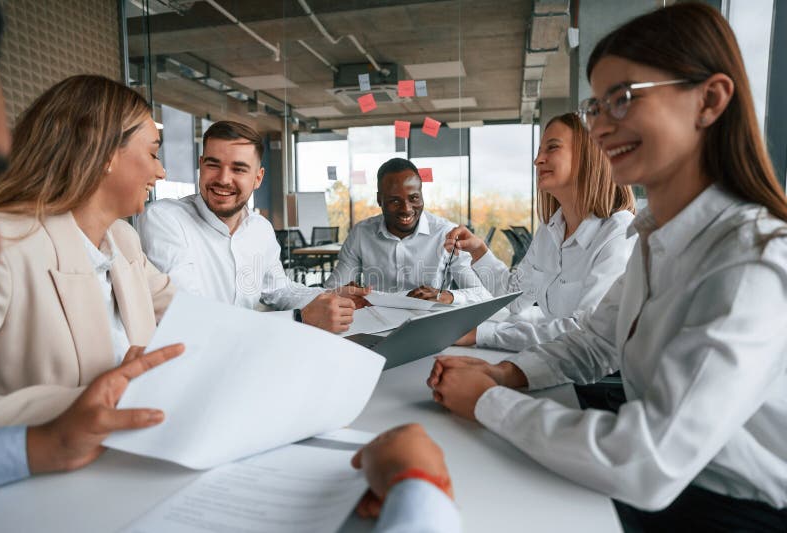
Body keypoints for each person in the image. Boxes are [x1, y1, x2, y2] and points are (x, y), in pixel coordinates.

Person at [428, 4, 787, 530]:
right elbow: (596, 341)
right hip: (672, 480)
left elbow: (650, 461)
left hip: (728, 508)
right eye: (596, 107)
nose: (600, 126)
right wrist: (505, 373)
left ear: (709, 100)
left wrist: (490, 402)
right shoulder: (654, 237)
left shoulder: (752, 257)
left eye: (622, 100)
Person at [0, 2, 185, 491]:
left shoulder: (123, 240)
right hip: (34, 487)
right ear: (102, 155)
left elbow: (189, 316)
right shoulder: (5, 244)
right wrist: (70, 411)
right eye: (154, 154)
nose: (161, 173)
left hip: (124, 473)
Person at [139, 121, 368, 333]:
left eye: (238, 169)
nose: (223, 179)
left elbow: (280, 290)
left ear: (258, 178)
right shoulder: (165, 219)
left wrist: (330, 296)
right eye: (213, 165)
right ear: (201, 165)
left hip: (247, 352)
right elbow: (191, 315)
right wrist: (298, 319)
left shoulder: (259, 229)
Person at [445, 112, 635, 350]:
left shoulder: (619, 234)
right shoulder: (550, 231)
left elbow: (584, 331)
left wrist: (483, 334)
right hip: (555, 360)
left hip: (594, 375)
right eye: (539, 151)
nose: (538, 160)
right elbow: (515, 298)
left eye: (552, 148)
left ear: (590, 155)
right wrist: (479, 251)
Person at [325, 157, 491, 304]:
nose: (406, 209)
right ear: (379, 200)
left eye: (414, 198)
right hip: (375, 322)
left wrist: (448, 296)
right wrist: (342, 293)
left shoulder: (446, 233)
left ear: (421, 195)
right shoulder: (361, 233)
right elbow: (332, 289)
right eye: (395, 201)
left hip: (429, 323)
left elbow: (481, 294)